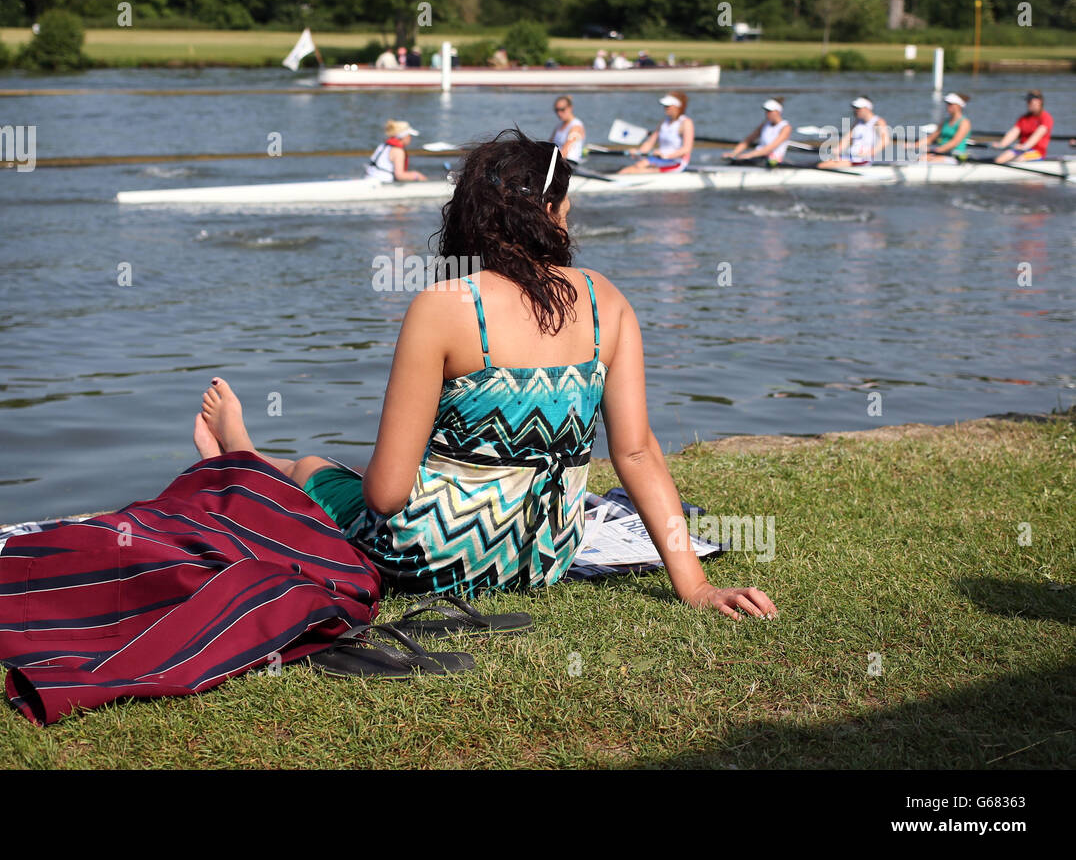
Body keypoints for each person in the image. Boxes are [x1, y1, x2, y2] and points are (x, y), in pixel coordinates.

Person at [196, 129, 778, 618]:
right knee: (342, 471)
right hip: (540, 555)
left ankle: (238, 458)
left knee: (316, 469)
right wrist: (696, 587)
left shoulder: (447, 305)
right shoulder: (608, 303)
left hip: (428, 557)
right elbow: (636, 455)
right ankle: (244, 455)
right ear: (549, 213)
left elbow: (387, 492)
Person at [617, 93, 694, 174]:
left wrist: (667, 156)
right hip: (659, 158)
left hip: (675, 161)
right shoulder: (664, 122)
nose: (665, 108)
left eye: (668, 106)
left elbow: (687, 149)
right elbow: (650, 142)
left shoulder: (686, 123)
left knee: (632, 171)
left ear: (678, 107)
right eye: (664, 106)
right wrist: (639, 152)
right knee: (626, 170)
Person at [818, 96, 888, 169]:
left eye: (858, 108)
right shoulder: (857, 122)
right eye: (854, 108)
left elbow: (885, 141)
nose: (855, 111)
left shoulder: (878, 122)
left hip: (863, 160)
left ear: (867, 109)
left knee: (822, 166)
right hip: (850, 157)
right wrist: (837, 149)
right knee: (824, 163)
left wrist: (870, 153)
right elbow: (847, 139)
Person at [724, 98, 792, 166]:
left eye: (769, 111)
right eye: (766, 111)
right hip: (758, 157)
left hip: (773, 160)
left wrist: (748, 155)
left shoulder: (785, 128)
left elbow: (769, 149)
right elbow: (748, 140)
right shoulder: (765, 124)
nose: (767, 114)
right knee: (731, 161)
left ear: (778, 112)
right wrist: (734, 153)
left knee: (740, 161)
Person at [992, 90, 1052, 163]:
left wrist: (1025, 146)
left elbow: (1037, 135)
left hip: (1037, 152)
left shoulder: (1046, 117)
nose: (1028, 103)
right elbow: (1013, 132)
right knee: (999, 160)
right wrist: (1001, 144)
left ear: (1039, 101)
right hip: (1021, 149)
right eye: (1027, 101)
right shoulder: (1024, 118)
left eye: (1030, 101)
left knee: (1020, 159)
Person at [918, 94, 972, 162]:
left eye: (950, 104)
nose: (947, 106)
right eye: (947, 104)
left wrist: (934, 151)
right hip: (942, 153)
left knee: (924, 159)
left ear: (958, 106)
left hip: (956, 156)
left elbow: (954, 142)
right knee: (920, 158)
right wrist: (912, 145)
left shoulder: (964, 123)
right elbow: (930, 139)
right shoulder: (945, 122)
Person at [551, 95, 586, 164]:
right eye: (556, 110)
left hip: (570, 164)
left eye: (562, 109)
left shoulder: (576, 126)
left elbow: (564, 152)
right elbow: (549, 145)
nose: (559, 113)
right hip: (558, 161)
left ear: (570, 108)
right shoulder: (558, 126)